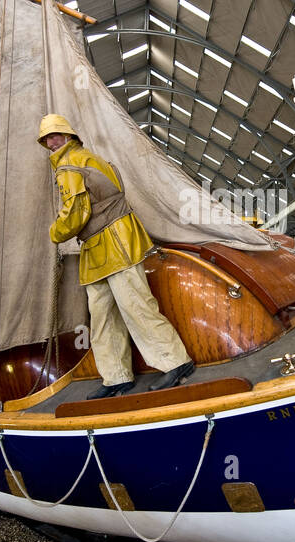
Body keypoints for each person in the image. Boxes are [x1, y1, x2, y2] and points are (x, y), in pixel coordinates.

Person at [38, 114, 194, 397]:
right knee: (103, 316)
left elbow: (75, 213)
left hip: (113, 242)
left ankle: (175, 362)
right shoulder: (88, 157)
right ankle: (116, 377)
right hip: (101, 245)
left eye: (55, 136)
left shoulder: (69, 166)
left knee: (135, 306)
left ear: (68, 136)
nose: (51, 142)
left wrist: (55, 233)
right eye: (47, 138)